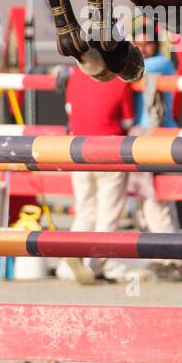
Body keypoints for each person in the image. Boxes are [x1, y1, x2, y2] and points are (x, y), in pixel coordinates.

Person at [127, 36, 182, 279]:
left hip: (160, 140)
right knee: (149, 203)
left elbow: (128, 70)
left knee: (158, 201)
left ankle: (173, 258)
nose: (143, 49)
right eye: (138, 43)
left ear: (156, 46)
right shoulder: (142, 65)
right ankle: (167, 257)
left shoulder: (161, 63)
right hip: (144, 140)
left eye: (147, 44)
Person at [62, 68, 135, 283]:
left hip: (79, 149)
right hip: (109, 151)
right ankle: (95, 266)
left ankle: (72, 252)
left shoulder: (75, 75)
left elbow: (69, 109)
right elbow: (128, 121)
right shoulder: (120, 79)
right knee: (108, 212)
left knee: (85, 208)